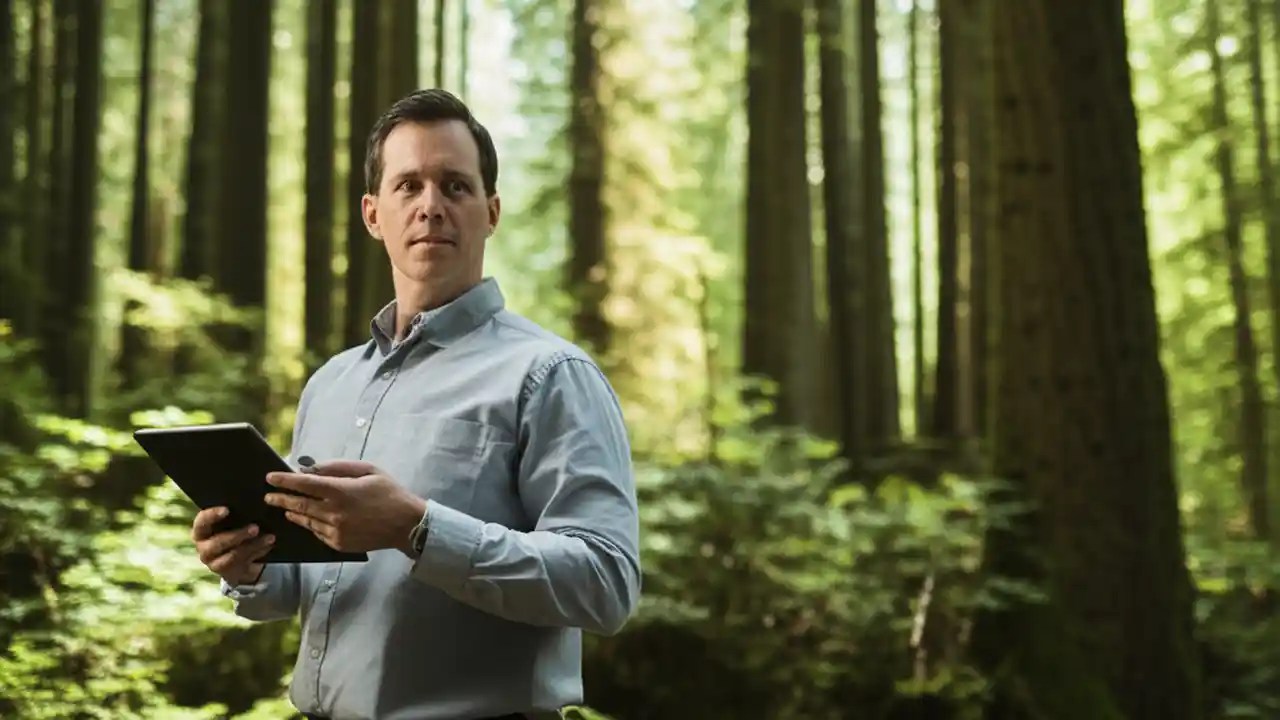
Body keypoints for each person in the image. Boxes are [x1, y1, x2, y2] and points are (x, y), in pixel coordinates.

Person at [187, 88, 642, 720]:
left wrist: (416, 529)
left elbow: (606, 584)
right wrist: (245, 563)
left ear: (492, 211)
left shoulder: (550, 376)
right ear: (374, 215)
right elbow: (293, 591)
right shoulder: (331, 385)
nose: (431, 206)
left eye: (455, 186)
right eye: (409, 186)